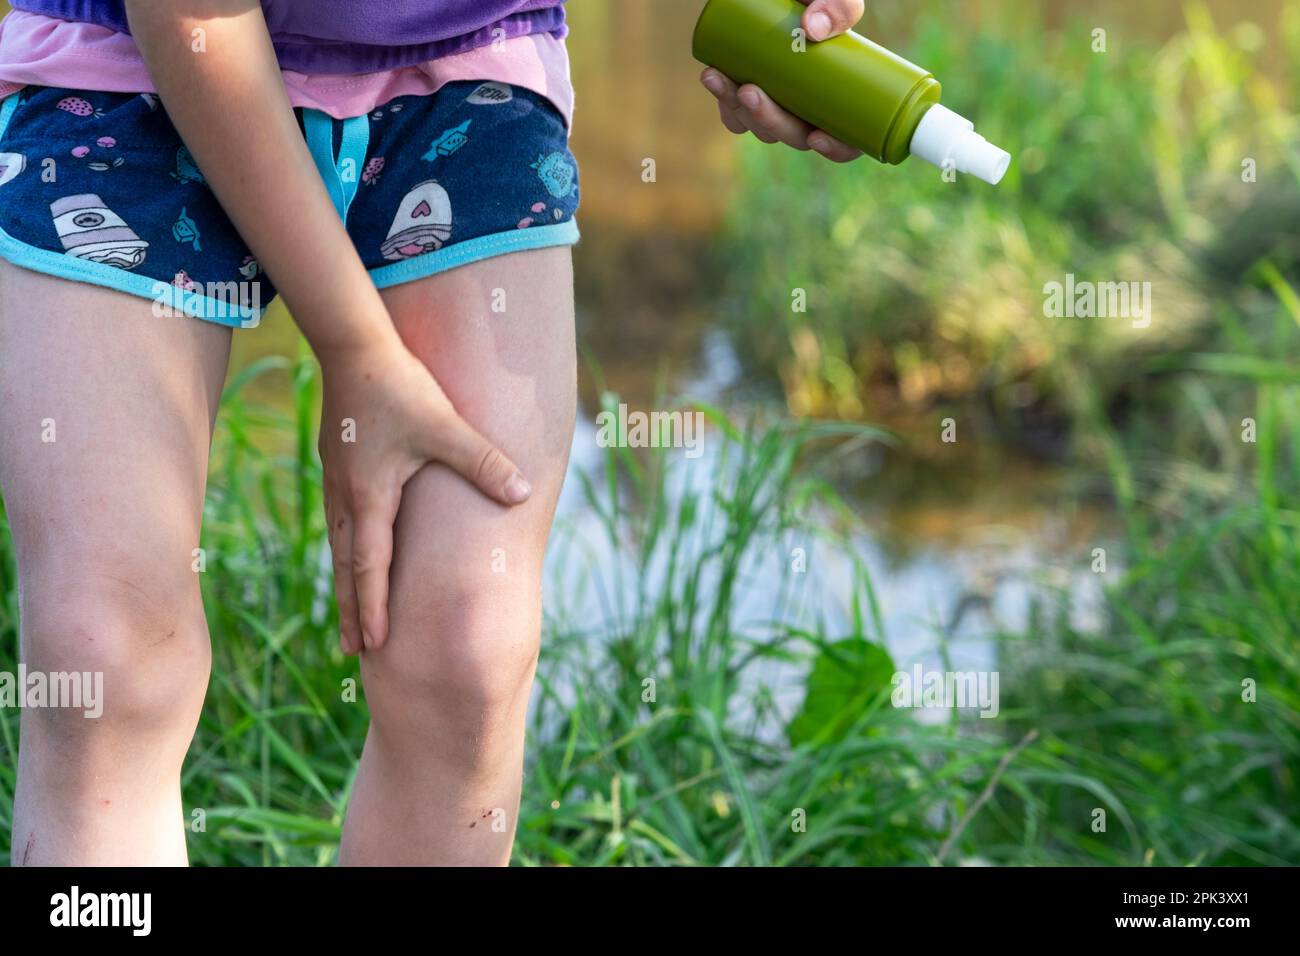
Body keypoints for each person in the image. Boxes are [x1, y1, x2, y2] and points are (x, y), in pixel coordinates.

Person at [0, 0, 864, 866]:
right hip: (123, 64)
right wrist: (357, 349)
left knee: (468, 656)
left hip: (463, 64)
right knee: (103, 661)